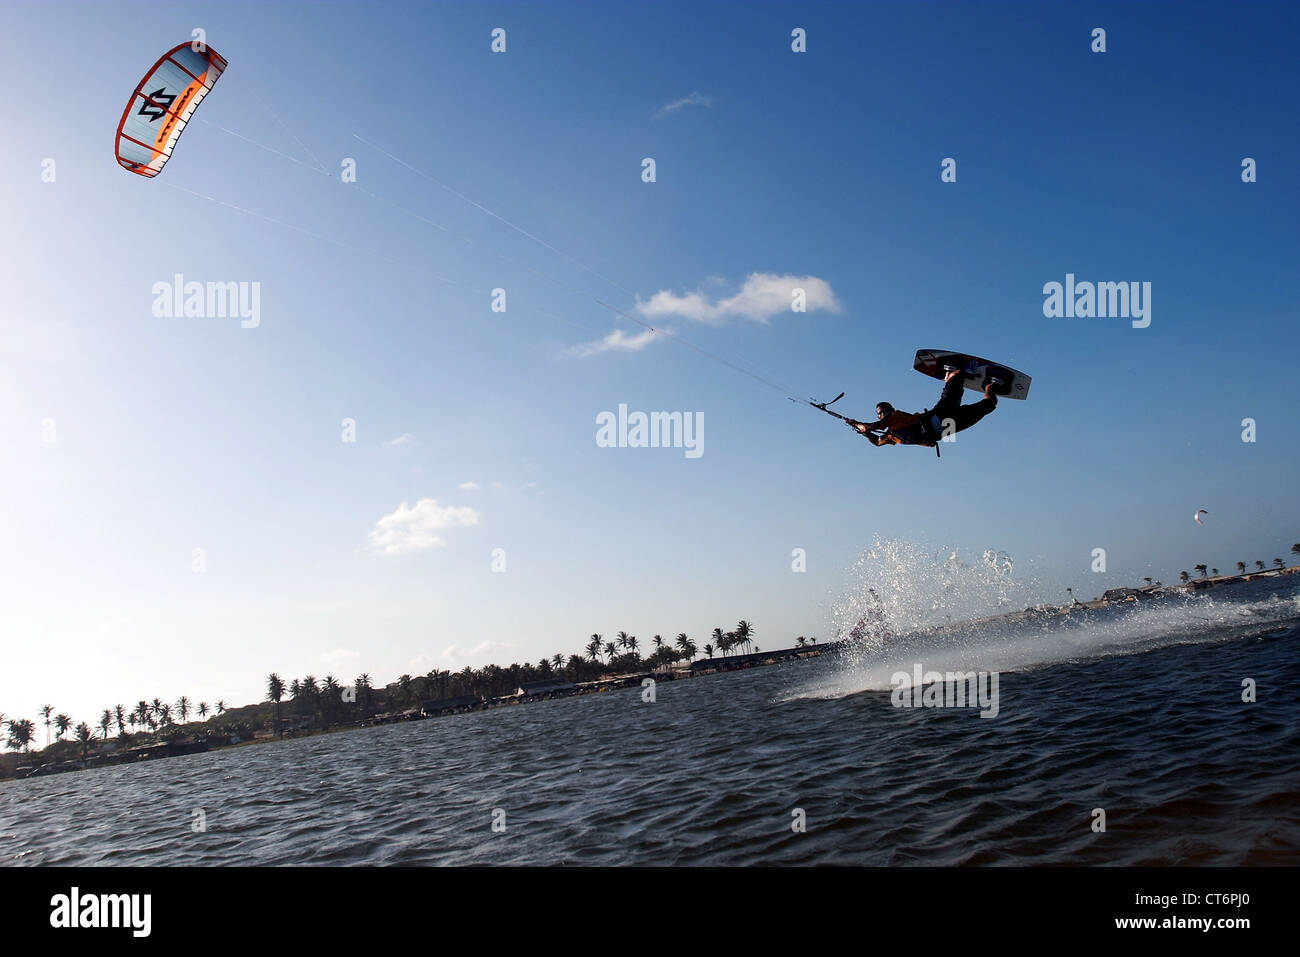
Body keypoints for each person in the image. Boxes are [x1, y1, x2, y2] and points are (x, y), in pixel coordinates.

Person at [846, 368, 998, 448]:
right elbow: (878, 441)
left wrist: (858, 425)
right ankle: (990, 388)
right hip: (947, 429)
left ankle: (950, 376)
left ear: (891, 410)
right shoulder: (891, 436)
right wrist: (864, 433)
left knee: (957, 376)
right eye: (881, 413)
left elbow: (873, 426)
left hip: (940, 415)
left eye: (885, 410)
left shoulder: (894, 417)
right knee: (989, 405)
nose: (884, 414)